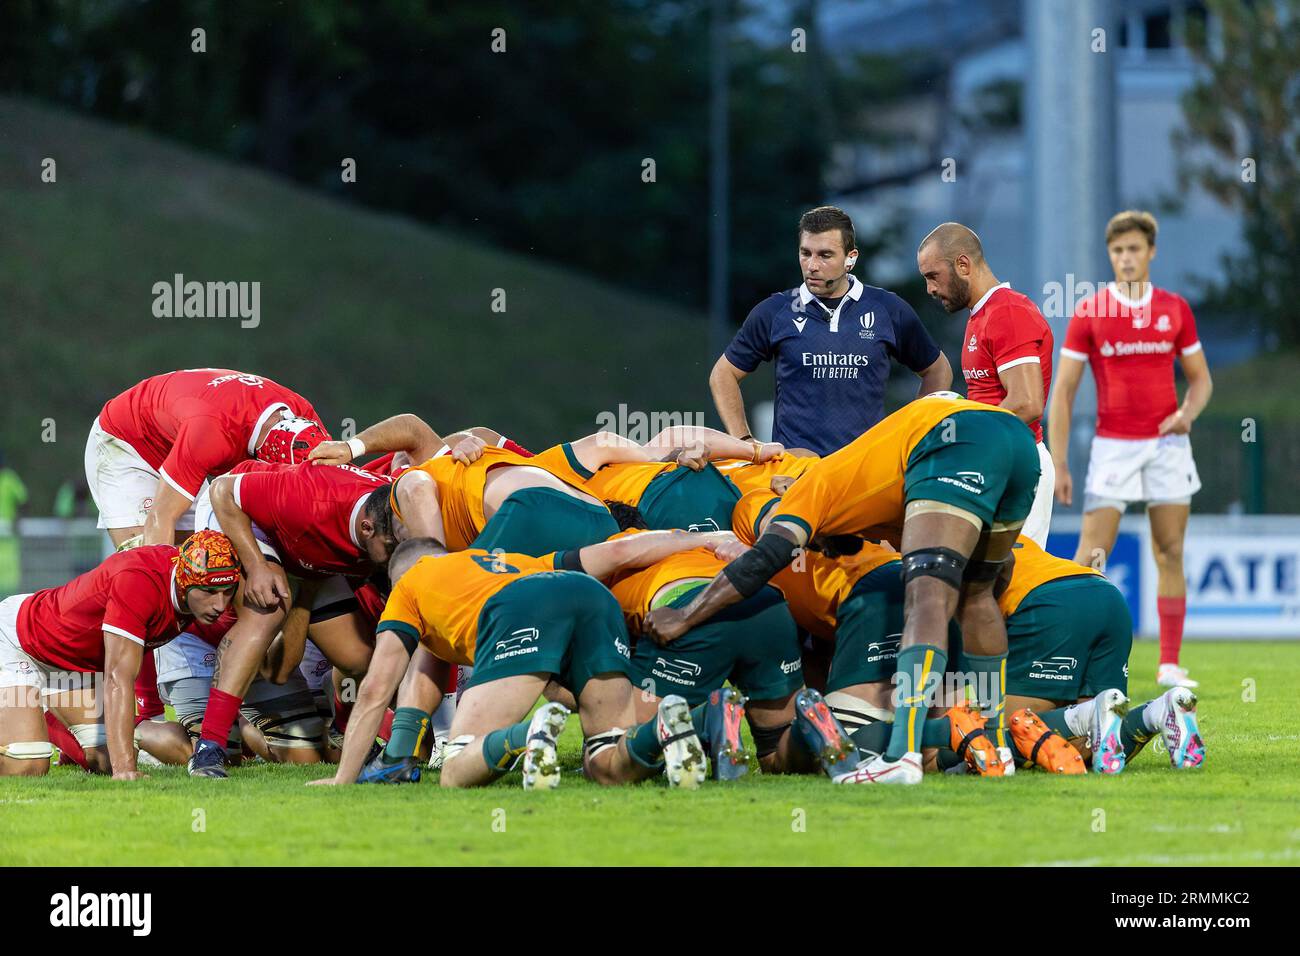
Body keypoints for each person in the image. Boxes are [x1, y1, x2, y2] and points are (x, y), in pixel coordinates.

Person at [643, 392, 1041, 785]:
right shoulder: (872, 501)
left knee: (926, 592)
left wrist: (685, 614)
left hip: (951, 438)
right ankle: (996, 743)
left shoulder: (810, 487)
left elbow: (765, 559)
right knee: (975, 595)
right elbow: (1001, 567)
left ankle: (902, 756)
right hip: (1019, 442)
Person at [313, 531, 747, 790]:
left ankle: (527, 734)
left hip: (522, 606)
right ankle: (685, 720)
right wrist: (707, 539)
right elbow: (617, 553)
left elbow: (374, 689)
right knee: (607, 764)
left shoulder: (410, 587)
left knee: (456, 770)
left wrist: (343, 779)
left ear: (400, 574)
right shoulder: (508, 561)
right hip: (588, 594)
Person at [1048, 210, 1213, 689]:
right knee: (1092, 556)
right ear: (1110, 255)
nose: (1126, 258)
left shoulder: (1175, 308)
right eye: (1118, 251)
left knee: (1171, 550)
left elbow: (1201, 380)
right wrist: (1060, 462)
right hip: (1114, 447)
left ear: (1151, 252)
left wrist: (1188, 414)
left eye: (1134, 249)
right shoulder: (1091, 312)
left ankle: (1169, 664)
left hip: (1167, 446)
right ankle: (1070, 655)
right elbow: (1063, 392)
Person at [711, 206, 951, 457]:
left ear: (851, 258)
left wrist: (914, 434)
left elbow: (937, 369)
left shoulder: (888, 309)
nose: (812, 265)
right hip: (795, 475)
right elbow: (723, 374)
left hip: (864, 472)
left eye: (825, 255)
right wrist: (746, 443)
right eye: (806, 253)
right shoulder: (775, 311)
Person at [0, 530, 241, 778]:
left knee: (106, 760)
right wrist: (125, 770)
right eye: (210, 592)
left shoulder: (189, 582)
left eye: (227, 591)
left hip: (74, 665)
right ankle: (29, 718)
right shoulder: (139, 581)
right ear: (183, 581)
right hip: (21, 642)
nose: (221, 605)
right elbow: (117, 677)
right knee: (29, 765)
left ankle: (48, 718)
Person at [917, 222, 1056, 546]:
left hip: (1017, 467)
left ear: (963, 265)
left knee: (1011, 586)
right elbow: (992, 401)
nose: (930, 289)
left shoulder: (1008, 312)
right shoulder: (982, 315)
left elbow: (1027, 403)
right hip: (993, 463)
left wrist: (962, 433)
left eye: (933, 276)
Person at [84, 369, 322, 548]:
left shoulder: (306, 418)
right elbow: (161, 516)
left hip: (180, 434)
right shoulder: (212, 435)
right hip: (127, 441)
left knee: (205, 556)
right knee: (140, 564)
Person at [0, 450, 28, 597]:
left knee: (9, 587)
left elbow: (23, 501)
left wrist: (17, 519)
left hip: (8, 539)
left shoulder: (9, 478)